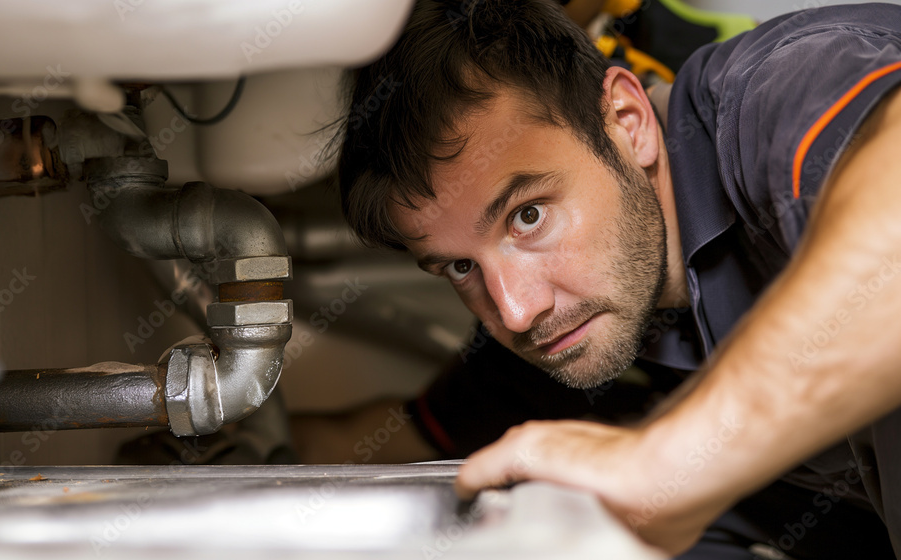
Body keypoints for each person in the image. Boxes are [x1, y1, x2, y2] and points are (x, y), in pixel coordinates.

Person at [323, 0, 901, 557]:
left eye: (528, 216)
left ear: (627, 122)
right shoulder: (569, 325)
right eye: (460, 266)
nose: (517, 311)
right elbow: (402, 438)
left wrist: (666, 457)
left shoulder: (781, 90)